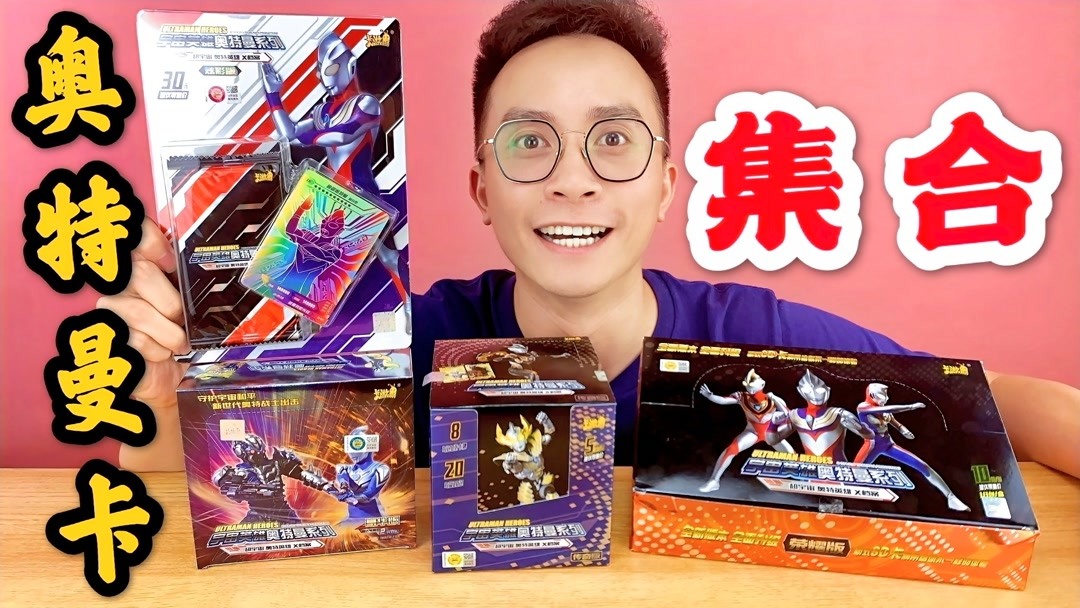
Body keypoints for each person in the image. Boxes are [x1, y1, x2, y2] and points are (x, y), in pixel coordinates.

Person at [106, 0, 1079, 480]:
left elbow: (1014, 406)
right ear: (481, 189)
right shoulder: (400, 342)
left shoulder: (755, 340)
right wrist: (157, 391)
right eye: (530, 142)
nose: (572, 177)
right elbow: (220, 491)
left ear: (665, 185)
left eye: (613, 140)